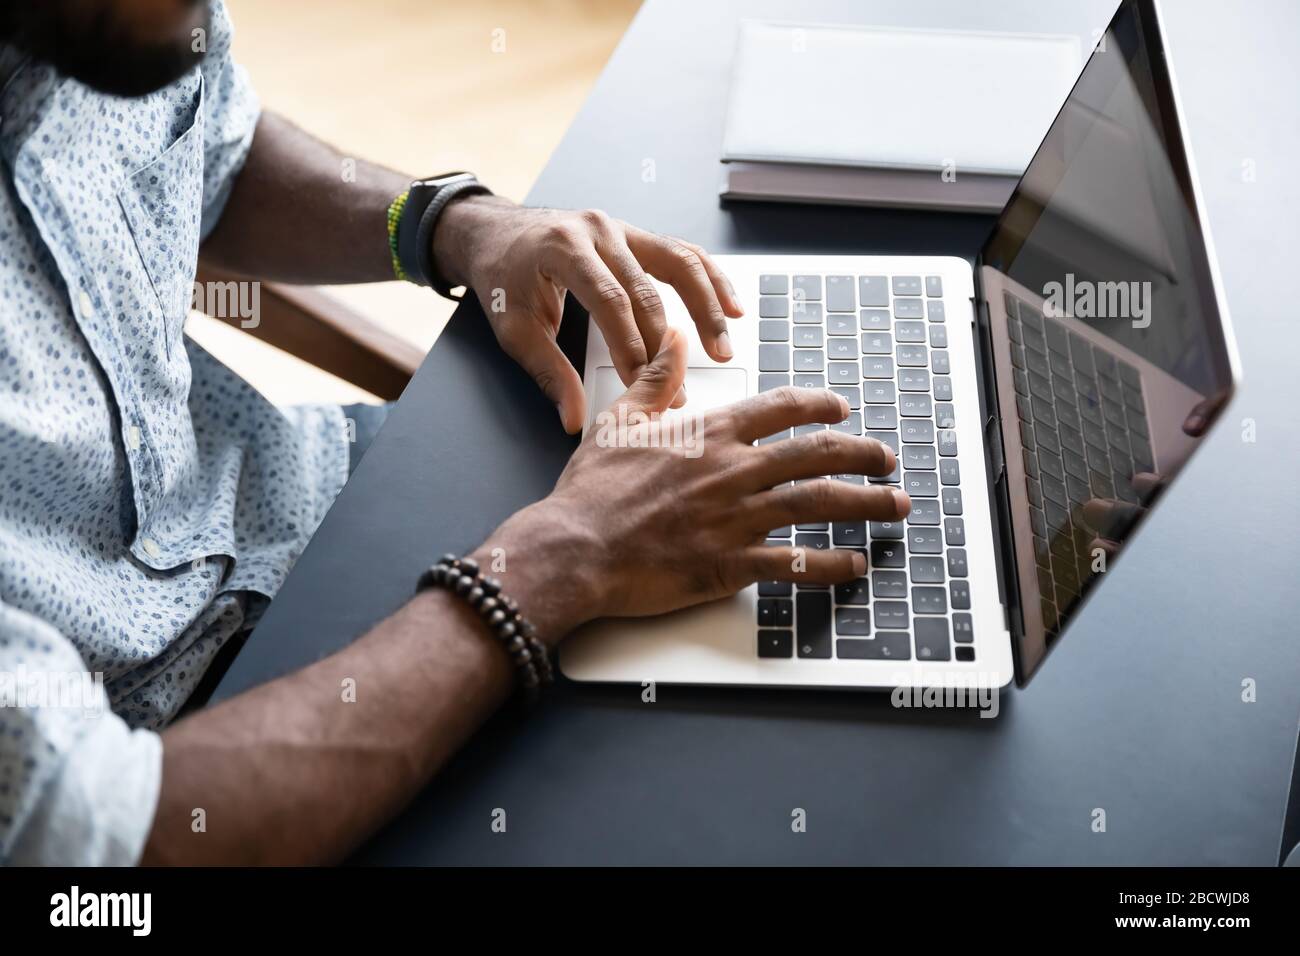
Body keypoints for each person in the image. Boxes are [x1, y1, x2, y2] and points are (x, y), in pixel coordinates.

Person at [0, 0, 908, 864]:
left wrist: (444, 225)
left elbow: (212, 153)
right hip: (198, 751)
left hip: (300, 507)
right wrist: (560, 558)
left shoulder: (111, 30)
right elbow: (112, 846)